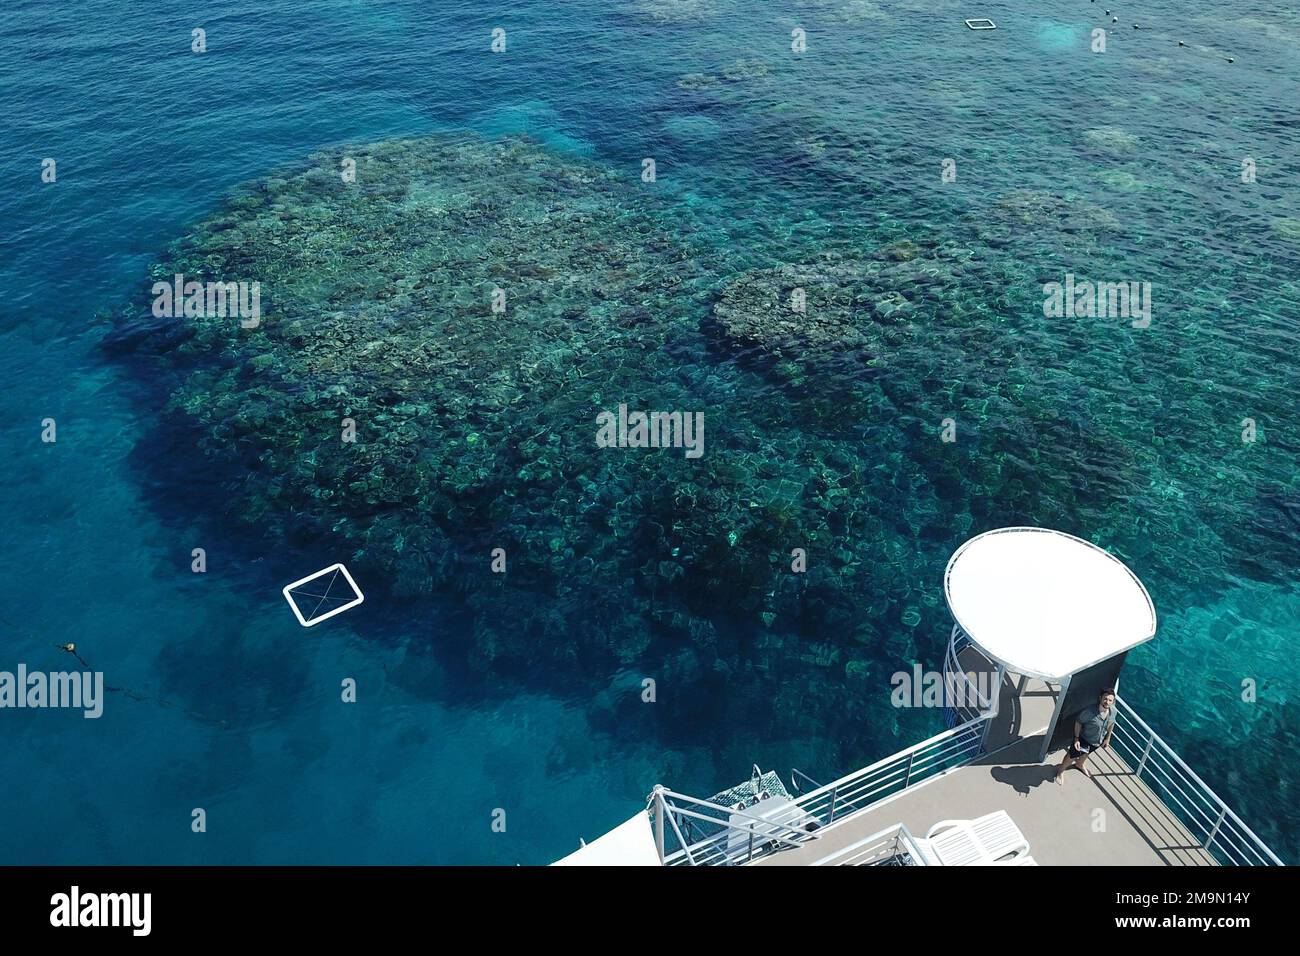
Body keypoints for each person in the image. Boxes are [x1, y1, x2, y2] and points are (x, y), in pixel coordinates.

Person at [1055, 688, 1116, 784]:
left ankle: (1079, 764)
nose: (1107, 702)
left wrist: (1108, 738)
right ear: (1100, 698)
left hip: (1097, 742)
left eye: (1110, 700)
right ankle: (1060, 771)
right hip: (1085, 740)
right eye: (1105, 699)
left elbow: (1111, 724)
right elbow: (1078, 722)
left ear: (1113, 701)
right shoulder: (1090, 712)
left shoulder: (1113, 712)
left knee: (1086, 753)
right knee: (1072, 755)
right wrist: (1076, 739)